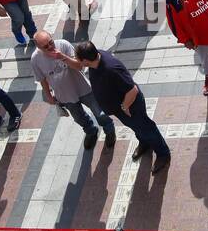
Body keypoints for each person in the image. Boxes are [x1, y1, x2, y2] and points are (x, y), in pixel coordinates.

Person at [67, 41, 170, 173]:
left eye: (78, 59)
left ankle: (163, 154)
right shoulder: (95, 58)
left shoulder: (111, 69)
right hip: (120, 109)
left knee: (146, 128)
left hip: (131, 107)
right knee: (137, 128)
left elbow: (132, 90)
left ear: (86, 60)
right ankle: (145, 143)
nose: (77, 61)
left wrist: (124, 107)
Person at [31, 30, 117, 149]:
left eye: (51, 42)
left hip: (83, 88)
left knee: (100, 113)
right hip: (65, 95)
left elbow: (79, 66)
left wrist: (62, 57)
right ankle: (91, 131)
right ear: (39, 48)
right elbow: (42, 79)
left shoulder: (63, 45)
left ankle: (109, 130)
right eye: (46, 46)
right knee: (79, 118)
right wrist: (48, 95)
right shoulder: (35, 59)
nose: (50, 47)